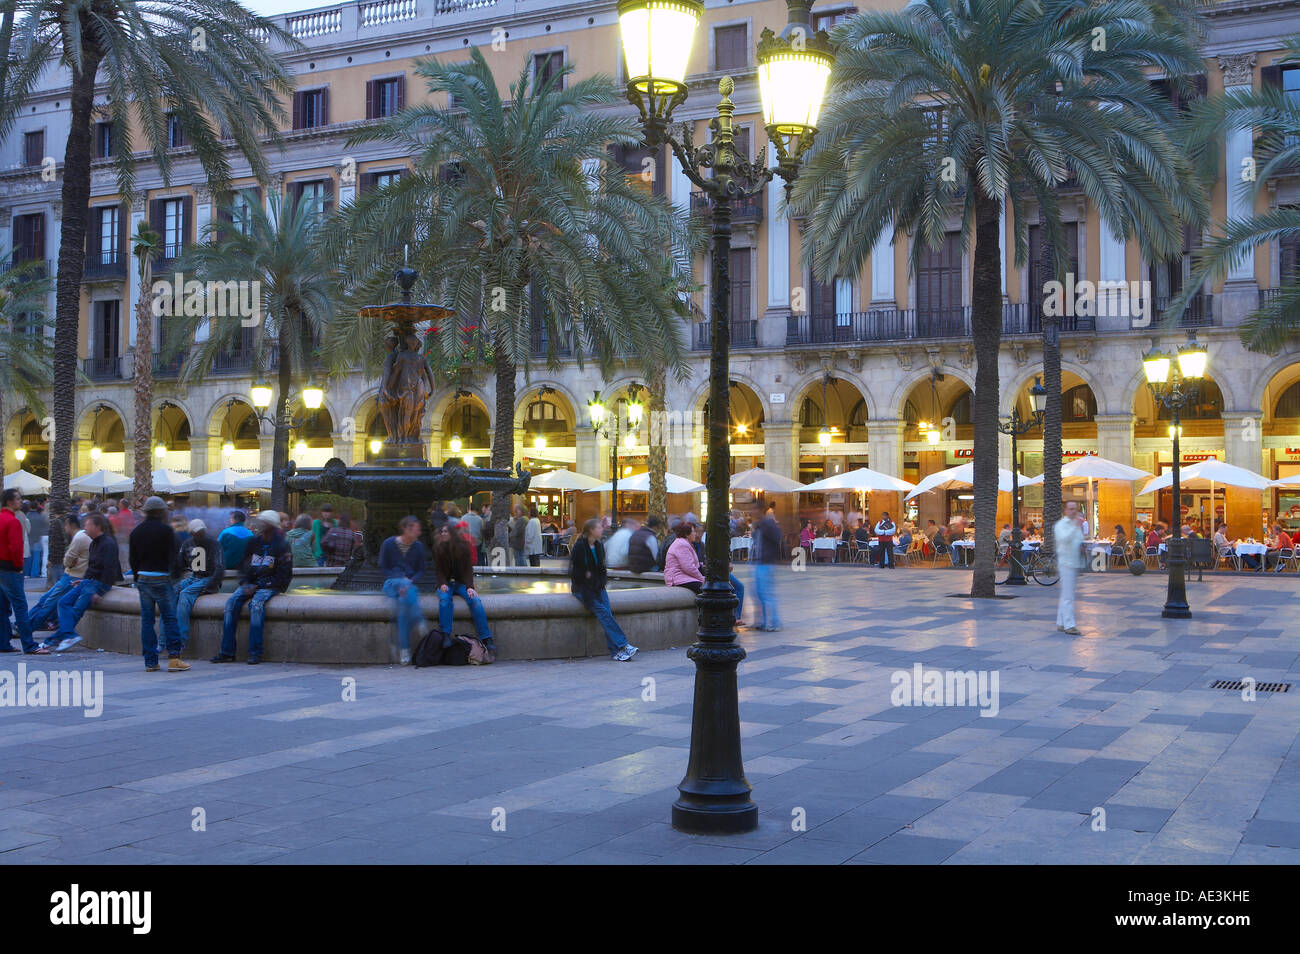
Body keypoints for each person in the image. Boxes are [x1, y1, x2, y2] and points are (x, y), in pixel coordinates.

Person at [211, 511, 292, 665]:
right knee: (231, 603)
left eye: (262, 522)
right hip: (252, 583)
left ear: (269, 525)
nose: (258, 524)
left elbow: (284, 575)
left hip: (270, 585)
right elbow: (243, 566)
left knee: (256, 605)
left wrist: (259, 585)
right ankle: (227, 651)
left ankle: (255, 652)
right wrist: (245, 583)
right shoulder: (253, 542)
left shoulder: (282, 545)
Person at [45, 513, 121, 653]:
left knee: (76, 610)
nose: (85, 527)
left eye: (87, 524)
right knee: (63, 602)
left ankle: (57, 638)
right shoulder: (93, 543)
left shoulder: (108, 544)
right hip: (89, 581)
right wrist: (83, 580)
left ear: (97, 527)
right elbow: (92, 567)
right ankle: (66, 636)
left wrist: (98, 591)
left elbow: (110, 570)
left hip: (98, 584)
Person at [569, 518, 637, 660]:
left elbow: (601, 568)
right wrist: (587, 575)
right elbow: (575, 571)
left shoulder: (599, 545)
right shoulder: (580, 547)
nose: (602, 530)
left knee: (607, 614)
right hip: (583, 589)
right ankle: (623, 645)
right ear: (591, 531)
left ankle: (616, 652)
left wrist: (599, 581)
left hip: (598, 586)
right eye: (599, 528)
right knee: (603, 612)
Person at [129, 496, 184, 671]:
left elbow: (133, 559)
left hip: (143, 578)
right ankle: (174, 658)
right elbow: (175, 557)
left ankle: (151, 662)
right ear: (160, 512)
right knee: (170, 618)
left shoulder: (136, 532)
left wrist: (138, 578)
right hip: (161, 578)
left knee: (147, 621)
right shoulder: (167, 531)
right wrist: (175, 576)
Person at [432, 521, 496, 655]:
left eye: (446, 531)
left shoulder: (464, 547)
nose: (443, 534)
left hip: (461, 583)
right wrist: (442, 583)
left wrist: (470, 587)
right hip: (446, 584)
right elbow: (438, 571)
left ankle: (486, 638)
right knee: (444, 600)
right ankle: (445, 635)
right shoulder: (439, 548)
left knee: (475, 600)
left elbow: (468, 570)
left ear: (452, 534)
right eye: (442, 532)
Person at [29, 515, 89, 640]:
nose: (65, 529)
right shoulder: (83, 537)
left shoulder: (79, 538)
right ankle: (25, 624)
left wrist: (68, 561)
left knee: (48, 602)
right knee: (46, 600)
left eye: (66, 526)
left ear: (71, 525)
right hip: (72, 575)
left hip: (72, 576)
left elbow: (67, 560)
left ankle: (27, 627)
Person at [380, 516, 428, 666]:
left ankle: (404, 649)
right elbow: (383, 567)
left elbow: (421, 570)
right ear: (406, 529)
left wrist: (410, 581)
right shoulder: (388, 544)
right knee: (404, 586)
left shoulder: (418, 547)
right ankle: (418, 619)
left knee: (402, 607)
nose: (419, 532)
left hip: (408, 586)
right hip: (391, 584)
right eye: (416, 529)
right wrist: (401, 581)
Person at [0, 489, 42, 654]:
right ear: (10, 502)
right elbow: (16, 547)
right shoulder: (13, 521)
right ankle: (29, 644)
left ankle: (3, 642)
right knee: (20, 607)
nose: (21, 501)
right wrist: (18, 567)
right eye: (18, 499)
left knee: (2, 607)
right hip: (10, 569)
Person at [174, 518, 224, 652]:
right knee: (172, 593)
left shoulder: (212, 544)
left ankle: (181, 640)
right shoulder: (189, 544)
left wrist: (210, 587)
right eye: (198, 532)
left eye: (201, 532)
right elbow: (180, 564)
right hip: (195, 578)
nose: (200, 534)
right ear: (192, 533)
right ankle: (168, 638)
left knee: (184, 594)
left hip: (205, 579)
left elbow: (219, 567)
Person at [1054, 501, 1085, 635]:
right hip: (1066, 563)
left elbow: (1077, 540)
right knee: (1068, 596)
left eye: (1075, 509)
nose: (1074, 511)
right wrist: (1075, 526)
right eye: (1071, 509)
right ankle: (1069, 625)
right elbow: (1064, 539)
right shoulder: (1061, 525)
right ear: (1065, 510)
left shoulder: (1075, 525)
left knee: (1065, 594)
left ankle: (1061, 622)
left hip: (1073, 562)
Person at [753, 504, 782, 632]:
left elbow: (777, 537)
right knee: (761, 593)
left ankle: (773, 622)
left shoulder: (768, 524)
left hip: (766, 563)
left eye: (755, 509)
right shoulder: (762, 524)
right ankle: (765, 622)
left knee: (766, 594)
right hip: (761, 562)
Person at [663, 522, 705, 592]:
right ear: (686, 534)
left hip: (683, 577)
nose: (695, 534)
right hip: (678, 578)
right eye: (694, 531)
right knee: (706, 590)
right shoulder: (682, 544)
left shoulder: (684, 543)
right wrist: (702, 579)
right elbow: (689, 567)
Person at [25, 502, 48, 578]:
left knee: (28, 556)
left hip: (29, 538)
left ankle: (27, 573)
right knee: (36, 557)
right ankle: (34, 573)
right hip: (38, 538)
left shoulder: (26, 516)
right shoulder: (40, 517)